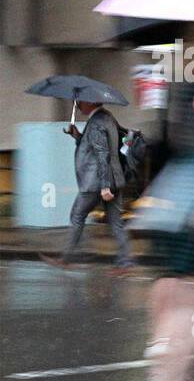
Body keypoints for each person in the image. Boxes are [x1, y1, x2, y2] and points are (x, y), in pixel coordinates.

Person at [44, 101, 133, 272]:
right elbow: (97, 147)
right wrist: (77, 136)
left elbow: (102, 154)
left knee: (77, 216)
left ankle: (69, 257)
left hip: (96, 183)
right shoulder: (107, 117)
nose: (77, 106)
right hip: (114, 179)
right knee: (116, 222)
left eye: (80, 103)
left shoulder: (96, 123)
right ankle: (125, 262)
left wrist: (105, 186)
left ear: (90, 102)